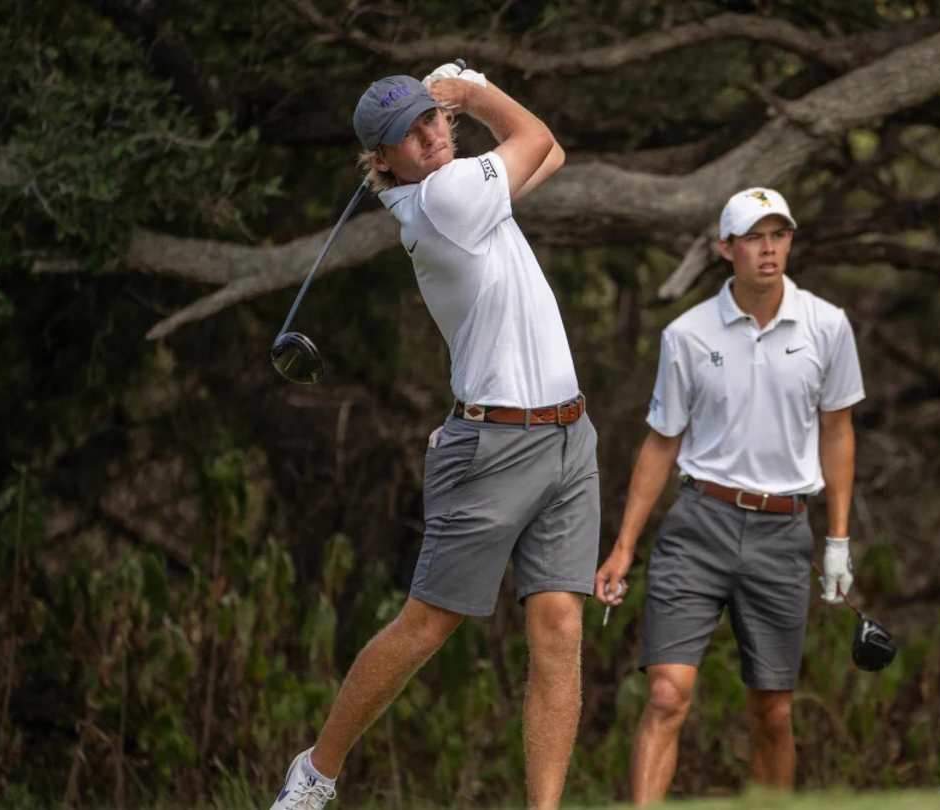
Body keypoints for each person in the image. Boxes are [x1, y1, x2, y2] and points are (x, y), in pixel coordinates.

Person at [268, 64, 597, 810]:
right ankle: (316, 773)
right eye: (409, 135)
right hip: (495, 448)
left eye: (433, 118)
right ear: (383, 161)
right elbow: (536, 135)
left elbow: (551, 157)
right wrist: (473, 90)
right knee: (426, 627)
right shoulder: (447, 197)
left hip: (570, 435)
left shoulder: (462, 192)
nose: (429, 134)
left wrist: (466, 108)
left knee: (558, 626)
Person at [594, 187, 865, 804]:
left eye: (779, 235)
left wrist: (839, 543)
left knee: (773, 708)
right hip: (700, 523)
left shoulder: (827, 326)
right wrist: (623, 547)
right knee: (666, 692)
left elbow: (838, 431)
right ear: (725, 249)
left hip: (782, 531)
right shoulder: (687, 334)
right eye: (753, 237)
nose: (768, 250)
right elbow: (661, 443)